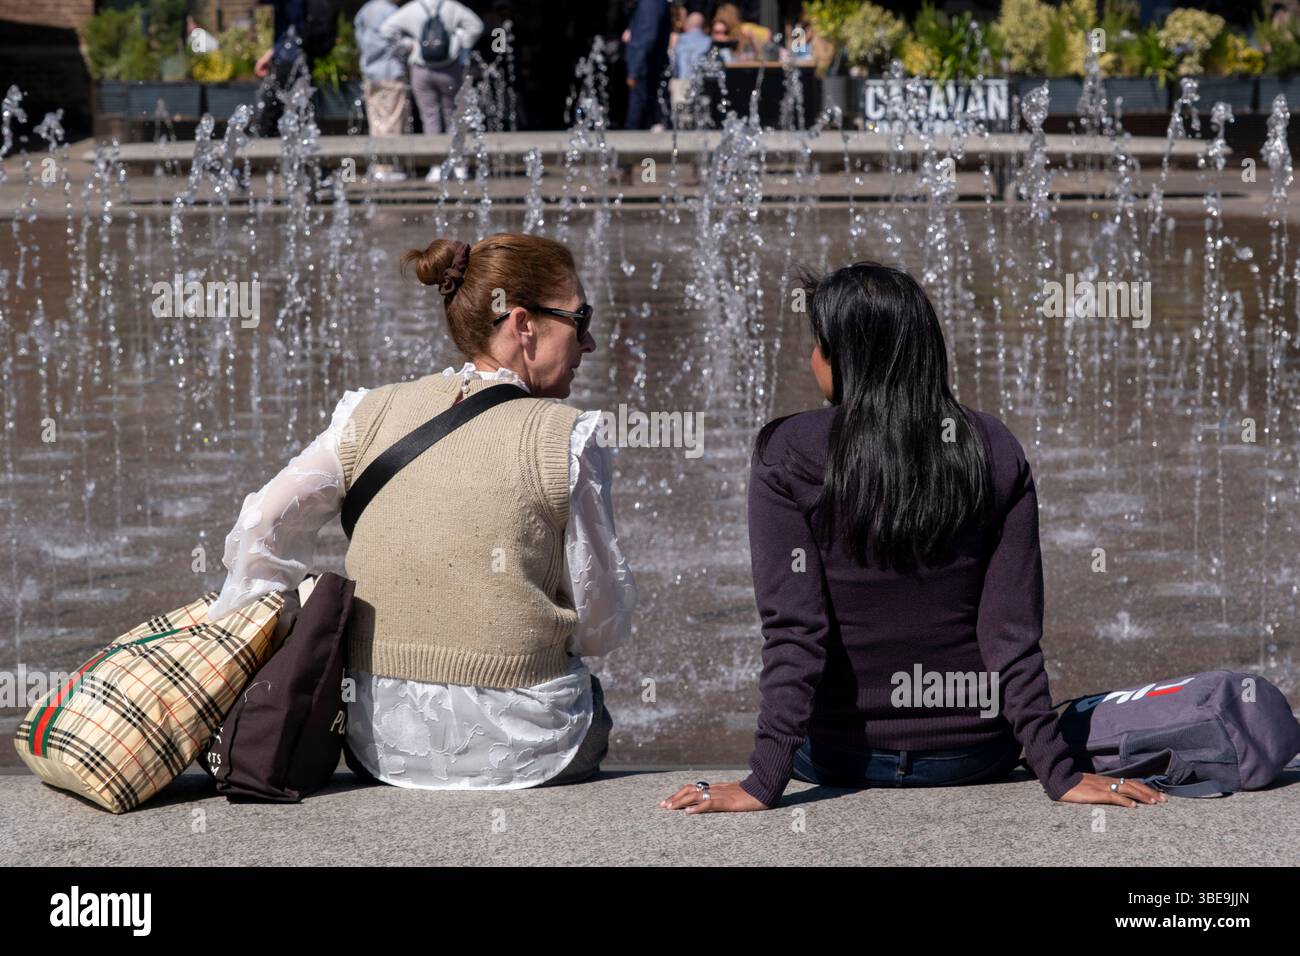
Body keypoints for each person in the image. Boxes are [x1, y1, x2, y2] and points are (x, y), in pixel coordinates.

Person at [660, 262, 1170, 813]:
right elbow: (1011, 632)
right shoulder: (991, 447)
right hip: (973, 754)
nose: (812, 359)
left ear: (845, 356)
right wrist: (1058, 772)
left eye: (819, 345)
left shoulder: (789, 452)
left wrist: (764, 781)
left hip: (838, 756)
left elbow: (796, 632)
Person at [207, 233, 637, 791]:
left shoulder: (368, 412)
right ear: (524, 323)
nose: (592, 342)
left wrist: (273, 627)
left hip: (375, 743)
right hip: (526, 749)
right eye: (581, 319)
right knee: (590, 699)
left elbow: (260, 526)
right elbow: (602, 626)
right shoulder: (568, 437)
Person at [381, 0, 484, 181]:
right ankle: (458, 164)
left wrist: (409, 44)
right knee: (454, 116)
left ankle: (436, 165)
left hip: (421, 69)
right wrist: (459, 41)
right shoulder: (452, 6)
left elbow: (386, 29)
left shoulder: (413, 8)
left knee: (429, 116)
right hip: (449, 69)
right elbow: (476, 25)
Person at [253, 0, 342, 138]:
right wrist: (272, 53)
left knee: (268, 119)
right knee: (301, 112)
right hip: (300, 58)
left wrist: (279, 52)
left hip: (289, 61)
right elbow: (293, 29)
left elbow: (297, 27)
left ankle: (264, 156)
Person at [355, 0, 411, 182]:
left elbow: (359, 35)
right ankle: (389, 167)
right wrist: (409, 46)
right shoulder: (391, 11)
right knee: (393, 119)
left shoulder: (367, 8)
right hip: (390, 70)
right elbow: (395, 39)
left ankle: (378, 165)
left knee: (376, 121)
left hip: (370, 72)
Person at [624, 0, 671, 130]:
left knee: (636, 122)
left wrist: (634, 71)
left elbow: (647, 38)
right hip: (646, 69)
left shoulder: (650, 3)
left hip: (644, 72)